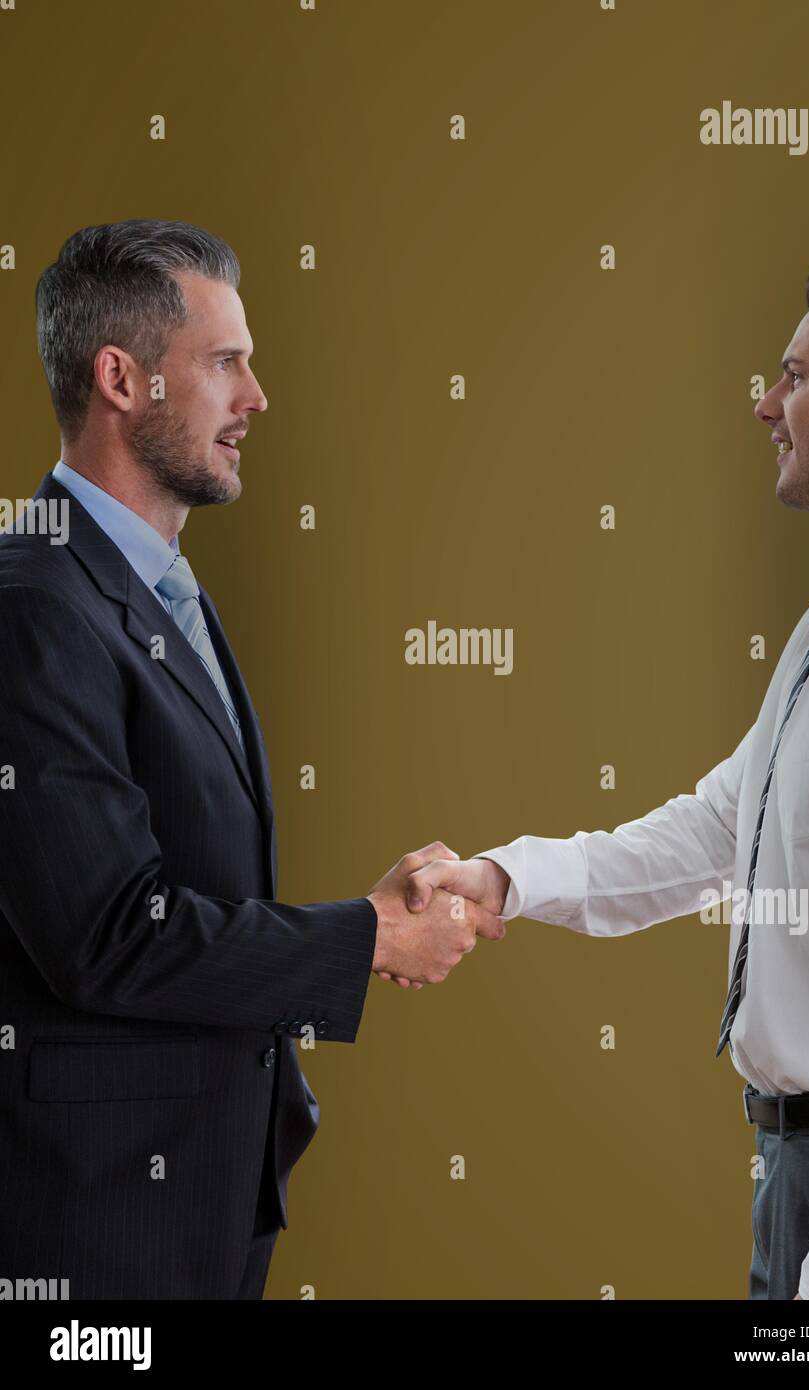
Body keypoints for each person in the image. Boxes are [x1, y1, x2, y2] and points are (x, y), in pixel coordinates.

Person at [0, 218, 504, 1300]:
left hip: (200, 1198)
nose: (257, 396)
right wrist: (365, 936)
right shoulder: (34, 604)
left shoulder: (154, 589)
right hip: (93, 1232)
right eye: (225, 363)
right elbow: (105, 936)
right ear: (121, 378)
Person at [402, 248, 809, 1301]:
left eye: (795, 376)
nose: (764, 406)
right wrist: (506, 879)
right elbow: (720, 827)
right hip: (802, 1175)